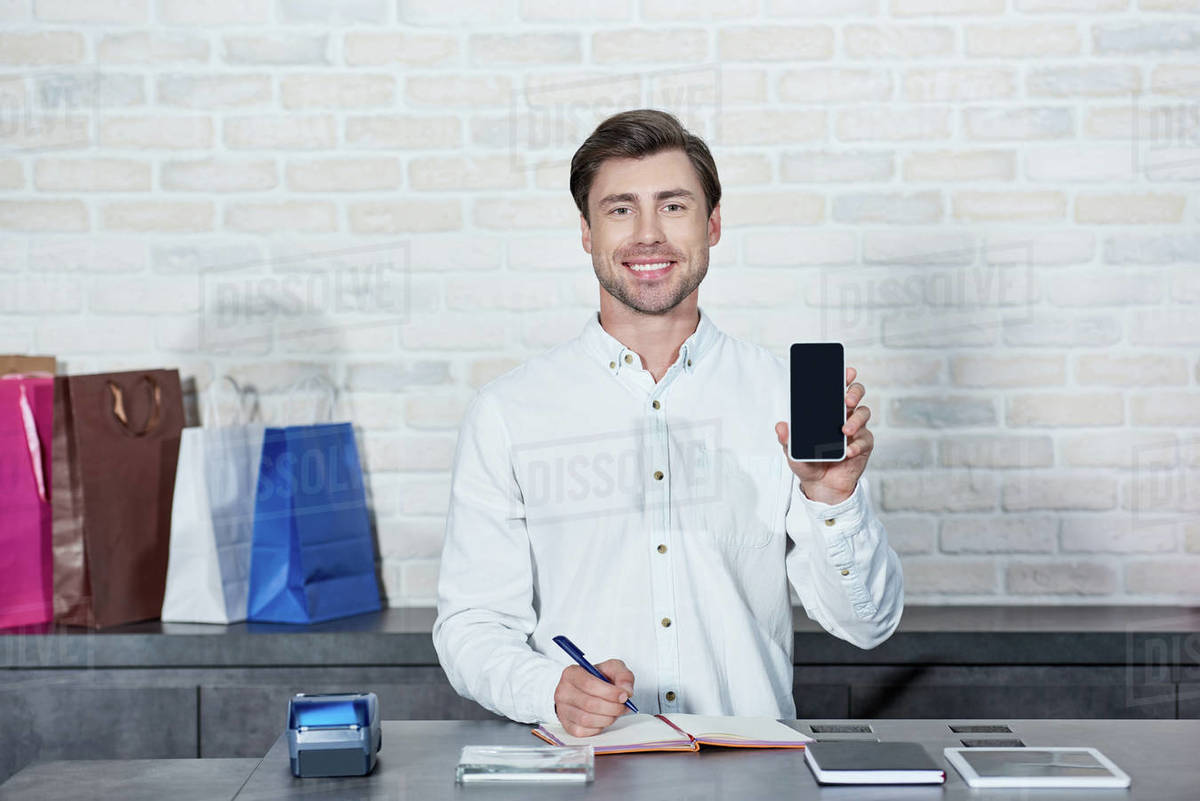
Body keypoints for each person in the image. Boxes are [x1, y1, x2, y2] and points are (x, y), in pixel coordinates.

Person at [432, 109, 903, 737]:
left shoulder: (780, 398)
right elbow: (471, 624)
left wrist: (832, 501)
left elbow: (868, 625)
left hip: (751, 773)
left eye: (673, 206)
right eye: (621, 209)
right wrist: (548, 690)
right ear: (586, 231)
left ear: (711, 226)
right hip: (592, 770)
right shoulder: (508, 413)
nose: (647, 235)